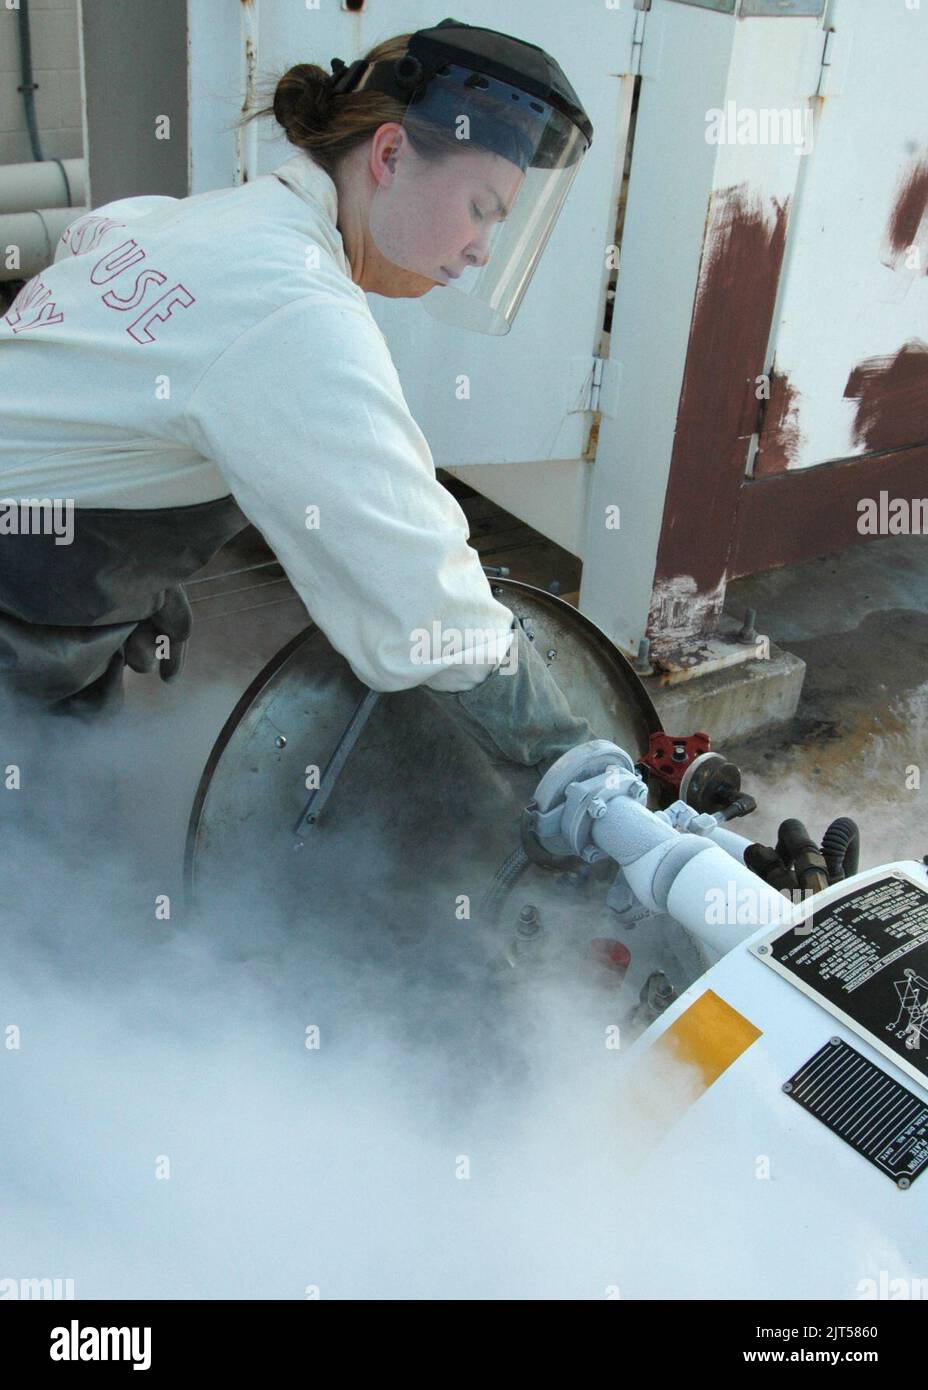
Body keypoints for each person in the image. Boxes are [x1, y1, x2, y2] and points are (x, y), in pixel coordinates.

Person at [0, 19, 597, 770]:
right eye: (480, 208)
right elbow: (422, 599)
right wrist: (575, 769)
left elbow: (92, 336)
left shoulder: (212, 222)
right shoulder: (294, 309)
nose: (482, 249)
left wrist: (131, 574)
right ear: (389, 153)